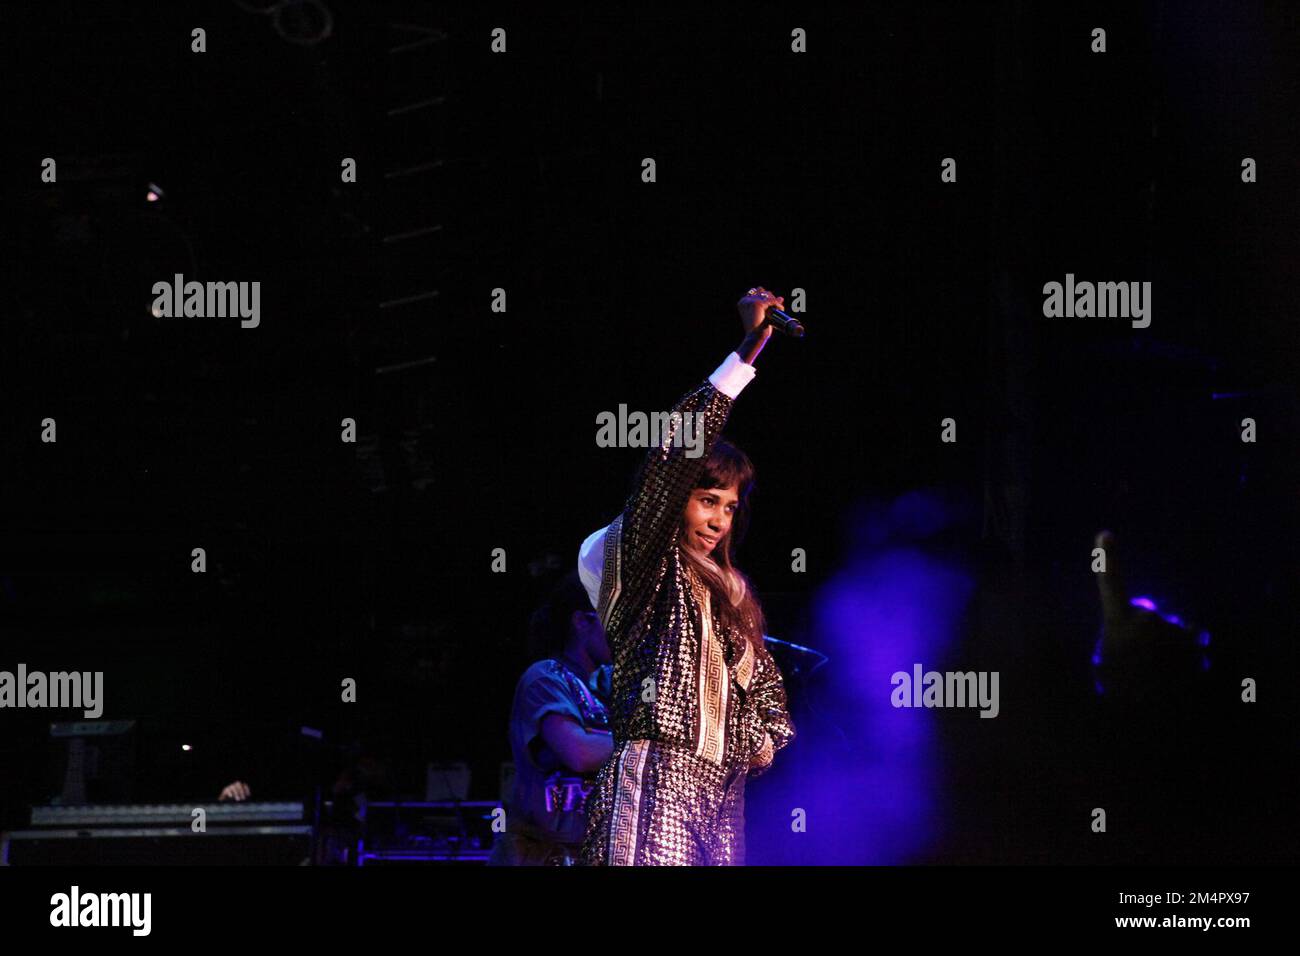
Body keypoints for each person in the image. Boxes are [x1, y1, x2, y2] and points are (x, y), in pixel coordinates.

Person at [578, 287, 796, 866]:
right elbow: (672, 456)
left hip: (721, 791)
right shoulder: (648, 564)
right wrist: (749, 346)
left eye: (729, 507)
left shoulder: (729, 593)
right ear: (676, 502)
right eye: (706, 500)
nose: (719, 521)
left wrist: (761, 742)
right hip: (655, 777)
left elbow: (765, 684)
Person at [488, 571, 615, 865]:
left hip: (588, 850)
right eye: (612, 617)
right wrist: (645, 741)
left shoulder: (605, 686)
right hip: (540, 852)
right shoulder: (544, 677)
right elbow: (578, 752)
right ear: (582, 622)